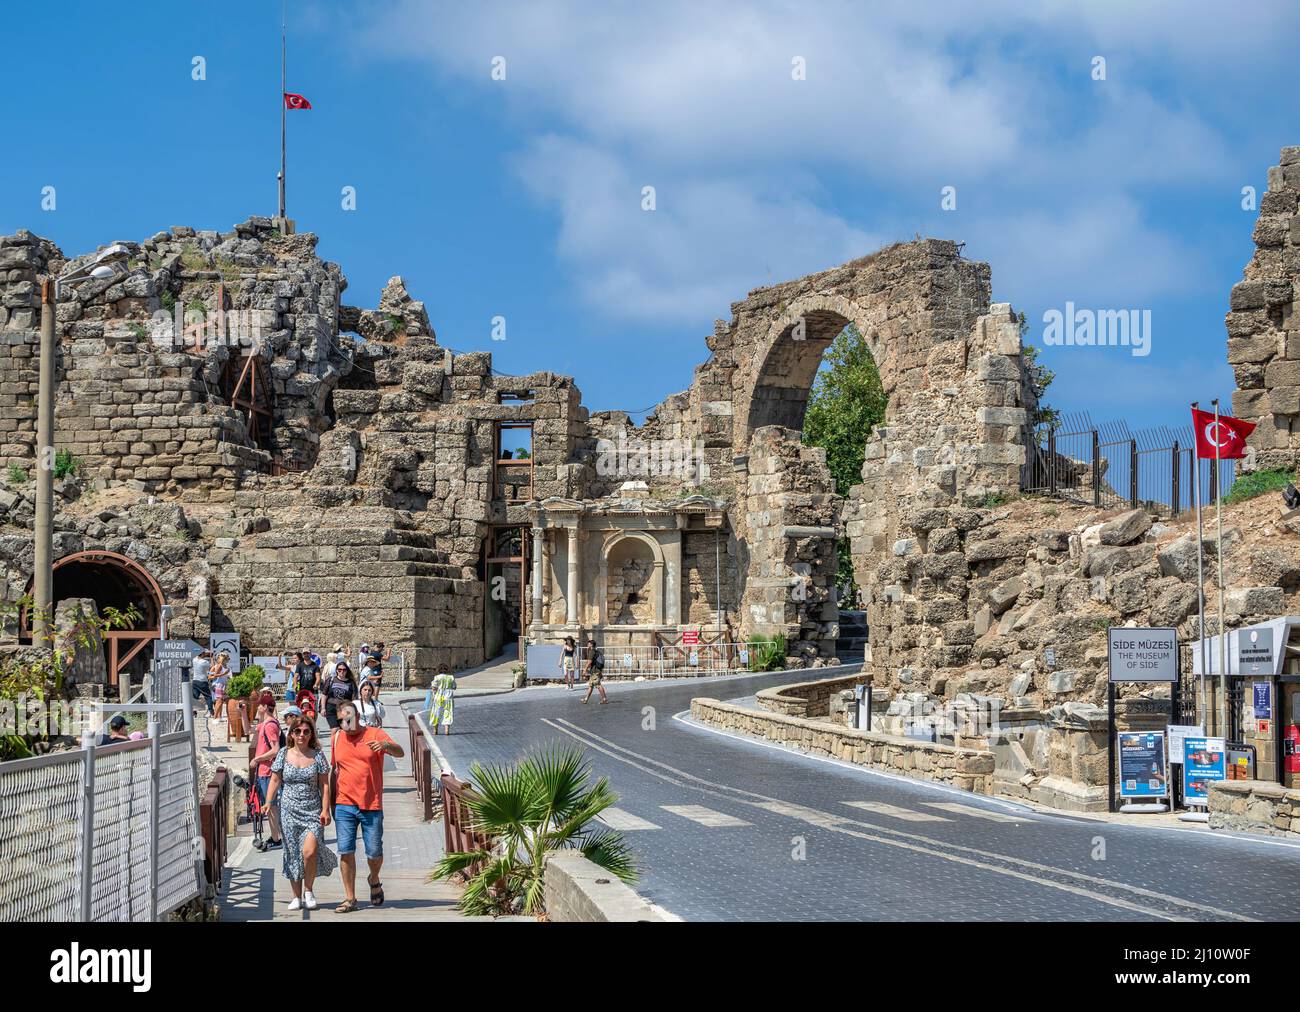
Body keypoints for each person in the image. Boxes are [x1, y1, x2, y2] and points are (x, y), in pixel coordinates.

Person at [329, 701, 403, 913]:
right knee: (345, 850)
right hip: (344, 804)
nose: (346, 723)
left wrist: (386, 746)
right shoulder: (337, 738)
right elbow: (334, 771)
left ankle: (374, 877)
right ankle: (350, 898)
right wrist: (328, 804)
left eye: (349, 718)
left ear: (358, 715)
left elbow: (400, 753)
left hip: (371, 804)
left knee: (374, 853)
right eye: (342, 720)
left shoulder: (374, 734)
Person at [265, 716, 335, 911]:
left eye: (306, 731)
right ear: (292, 734)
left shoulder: (318, 755)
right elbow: (275, 780)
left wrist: (325, 809)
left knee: (309, 852)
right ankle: (296, 896)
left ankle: (309, 890)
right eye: (298, 731)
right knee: (292, 852)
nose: (302, 735)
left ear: (311, 733)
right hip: (288, 810)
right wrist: (268, 802)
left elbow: (325, 785)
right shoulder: (283, 754)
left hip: (312, 810)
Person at [250, 699, 284, 851]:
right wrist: (243, 713)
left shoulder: (270, 725)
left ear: (265, 707)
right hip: (264, 771)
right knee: (270, 806)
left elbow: (275, 749)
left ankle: (276, 839)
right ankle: (275, 836)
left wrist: (257, 759)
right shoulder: (266, 724)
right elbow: (247, 730)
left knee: (271, 806)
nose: (257, 707)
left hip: (268, 771)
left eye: (259, 705)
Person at [321, 660, 358, 730]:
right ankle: (333, 741)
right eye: (339, 669)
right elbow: (324, 694)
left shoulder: (351, 682)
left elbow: (354, 698)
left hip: (344, 708)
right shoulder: (331, 680)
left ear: (347, 671)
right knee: (335, 729)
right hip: (331, 708)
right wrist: (323, 708)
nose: (342, 671)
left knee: (345, 729)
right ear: (336, 670)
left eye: (344, 670)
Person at [429, 665, 456, 735]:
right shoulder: (451, 677)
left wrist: (433, 695)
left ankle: (435, 730)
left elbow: (434, 688)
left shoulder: (437, 677)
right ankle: (446, 730)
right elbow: (454, 687)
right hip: (448, 697)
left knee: (436, 712)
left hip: (438, 697)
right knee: (448, 712)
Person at [581, 638, 607, 704]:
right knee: (591, 685)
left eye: (588, 643)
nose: (587, 644)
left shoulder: (592, 651)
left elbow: (589, 662)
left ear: (591, 645)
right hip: (596, 670)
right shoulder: (596, 651)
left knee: (598, 685)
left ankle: (604, 699)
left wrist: (585, 669)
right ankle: (586, 699)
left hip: (595, 671)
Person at [191, 649, 214, 715]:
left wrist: (206, 653)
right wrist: (211, 658)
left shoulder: (194, 660)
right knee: (208, 697)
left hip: (195, 681)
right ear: (203, 653)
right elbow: (212, 668)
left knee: (195, 697)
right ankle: (211, 711)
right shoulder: (205, 662)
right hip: (203, 681)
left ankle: (193, 712)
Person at [210, 651, 231, 721]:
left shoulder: (226, 666)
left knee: (227, 701)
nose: (228, 660)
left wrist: (227, 677)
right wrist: (224, 674)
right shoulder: (219, 666)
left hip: (225, 685)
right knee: (219, 702)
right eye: (227, 658)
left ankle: (223, 717)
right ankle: (215, 718)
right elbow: (215, 675)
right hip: (219, 685)